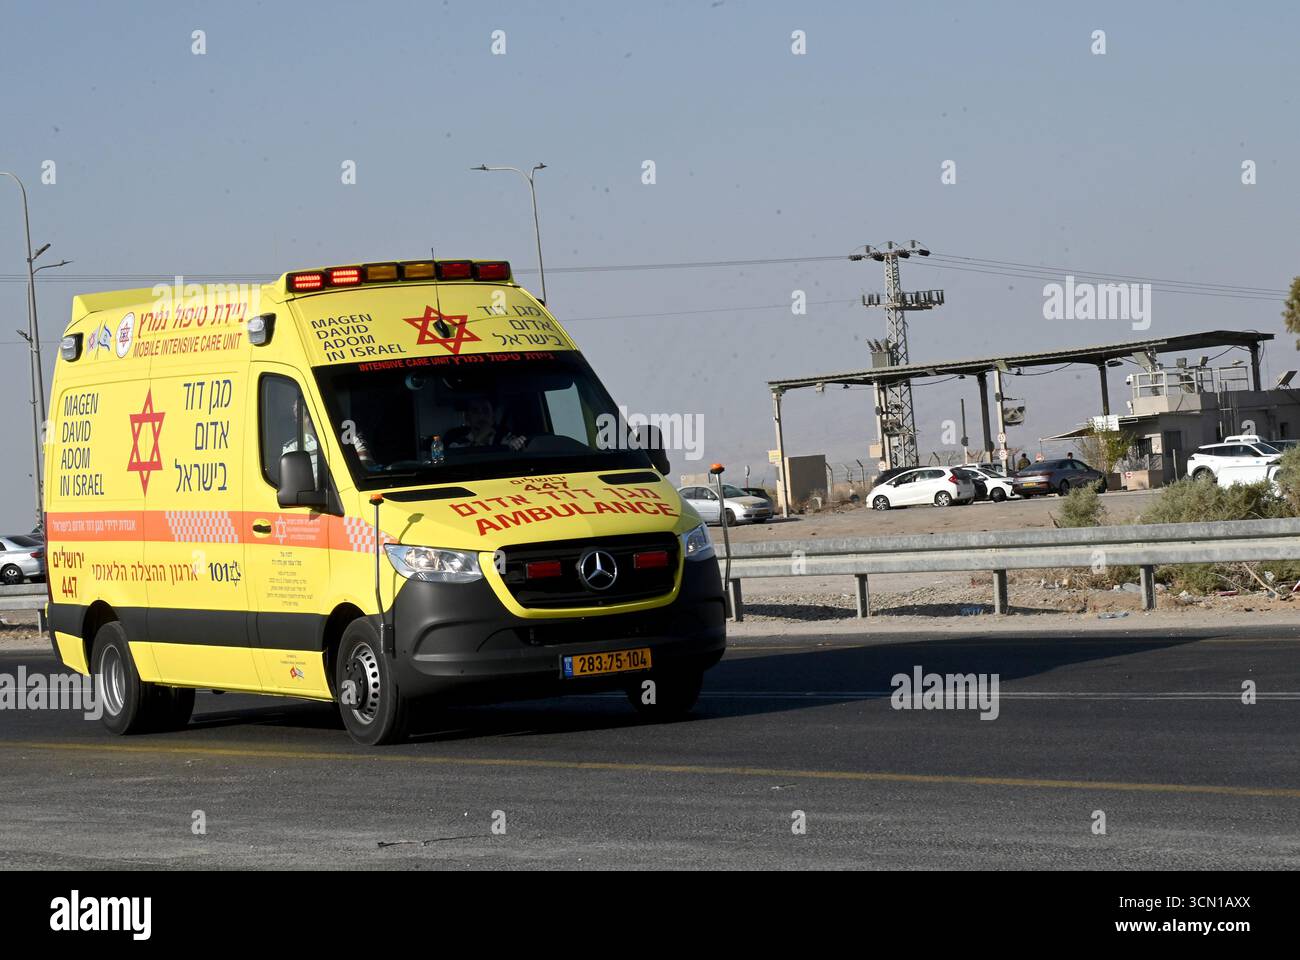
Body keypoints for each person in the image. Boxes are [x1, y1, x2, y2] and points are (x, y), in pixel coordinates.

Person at [444, 396, 526, 451]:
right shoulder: (456, 444)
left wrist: (517, 445)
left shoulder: (505, 439)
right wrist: (478, 439)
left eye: (486, 410)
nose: (481, 415)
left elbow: (521, 452)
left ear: (493, 417)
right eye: (475, 411)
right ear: (467, 418)